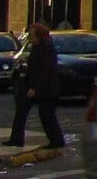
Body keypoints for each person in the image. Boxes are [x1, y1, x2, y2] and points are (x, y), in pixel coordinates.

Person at [4, 21, 66, 149]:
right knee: (21, 110)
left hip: (46, 88)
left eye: (32, 36)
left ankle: (57, 140)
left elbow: (45, 71)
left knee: (47, 114)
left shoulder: (47, 49)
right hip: (31, 84)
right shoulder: (36, 48)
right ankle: (16, 139)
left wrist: (34, 88)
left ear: (40, 36)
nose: (30, 38)